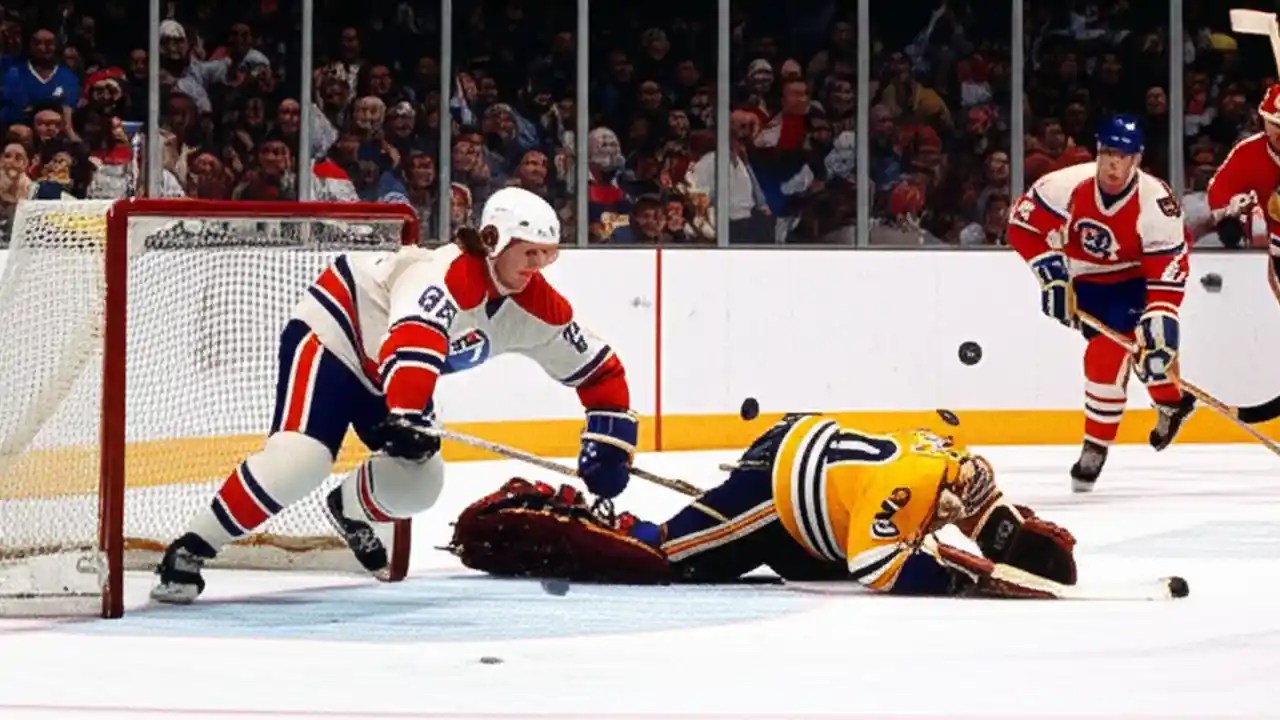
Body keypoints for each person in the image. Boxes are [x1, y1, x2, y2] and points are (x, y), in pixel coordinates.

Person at [152, 187, 638, 603]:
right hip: (337, 335)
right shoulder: (441, 274)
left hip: (397, 377)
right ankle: (194, 546)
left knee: (421, 484)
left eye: (547, 255)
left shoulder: (538, 310)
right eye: (529, 252)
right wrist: (406, 410)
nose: (538, 266)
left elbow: (600, 371)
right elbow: (414, 341)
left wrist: (610, 441)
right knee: (299, 461)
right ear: (493, 241)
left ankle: (349, 509)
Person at [447, 413, 1078, 598]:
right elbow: (877, 567)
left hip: (808, 492)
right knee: (665, 559)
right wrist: (959, 579)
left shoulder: (956, 467)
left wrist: (1010, 550)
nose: (961, 516)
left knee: (820, 566)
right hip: (775, 494)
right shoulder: (912, 484)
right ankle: (548, 510)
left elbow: (985, 516)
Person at [1007, 115, 1194, 493]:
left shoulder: (1156, 203)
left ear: (1136, 159)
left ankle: (1095, 446)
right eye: (1107, 152)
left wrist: (1160, 322)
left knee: (1114, 358)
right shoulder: (1063, 186)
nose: (1112, 163)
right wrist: (1051, 273)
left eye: (1122, 155)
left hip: (1134, 283)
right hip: (1084, 283)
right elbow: (1021, 227)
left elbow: (1166, 276)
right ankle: (1174, 403)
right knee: (1140, 361)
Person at [1204, 83, 1280, 303]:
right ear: (1263, 120)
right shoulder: (1248, 151)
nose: (1279, 131)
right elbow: (1219, 189)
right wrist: (1232, 209)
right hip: (1269, 248)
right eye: (1274, 123)